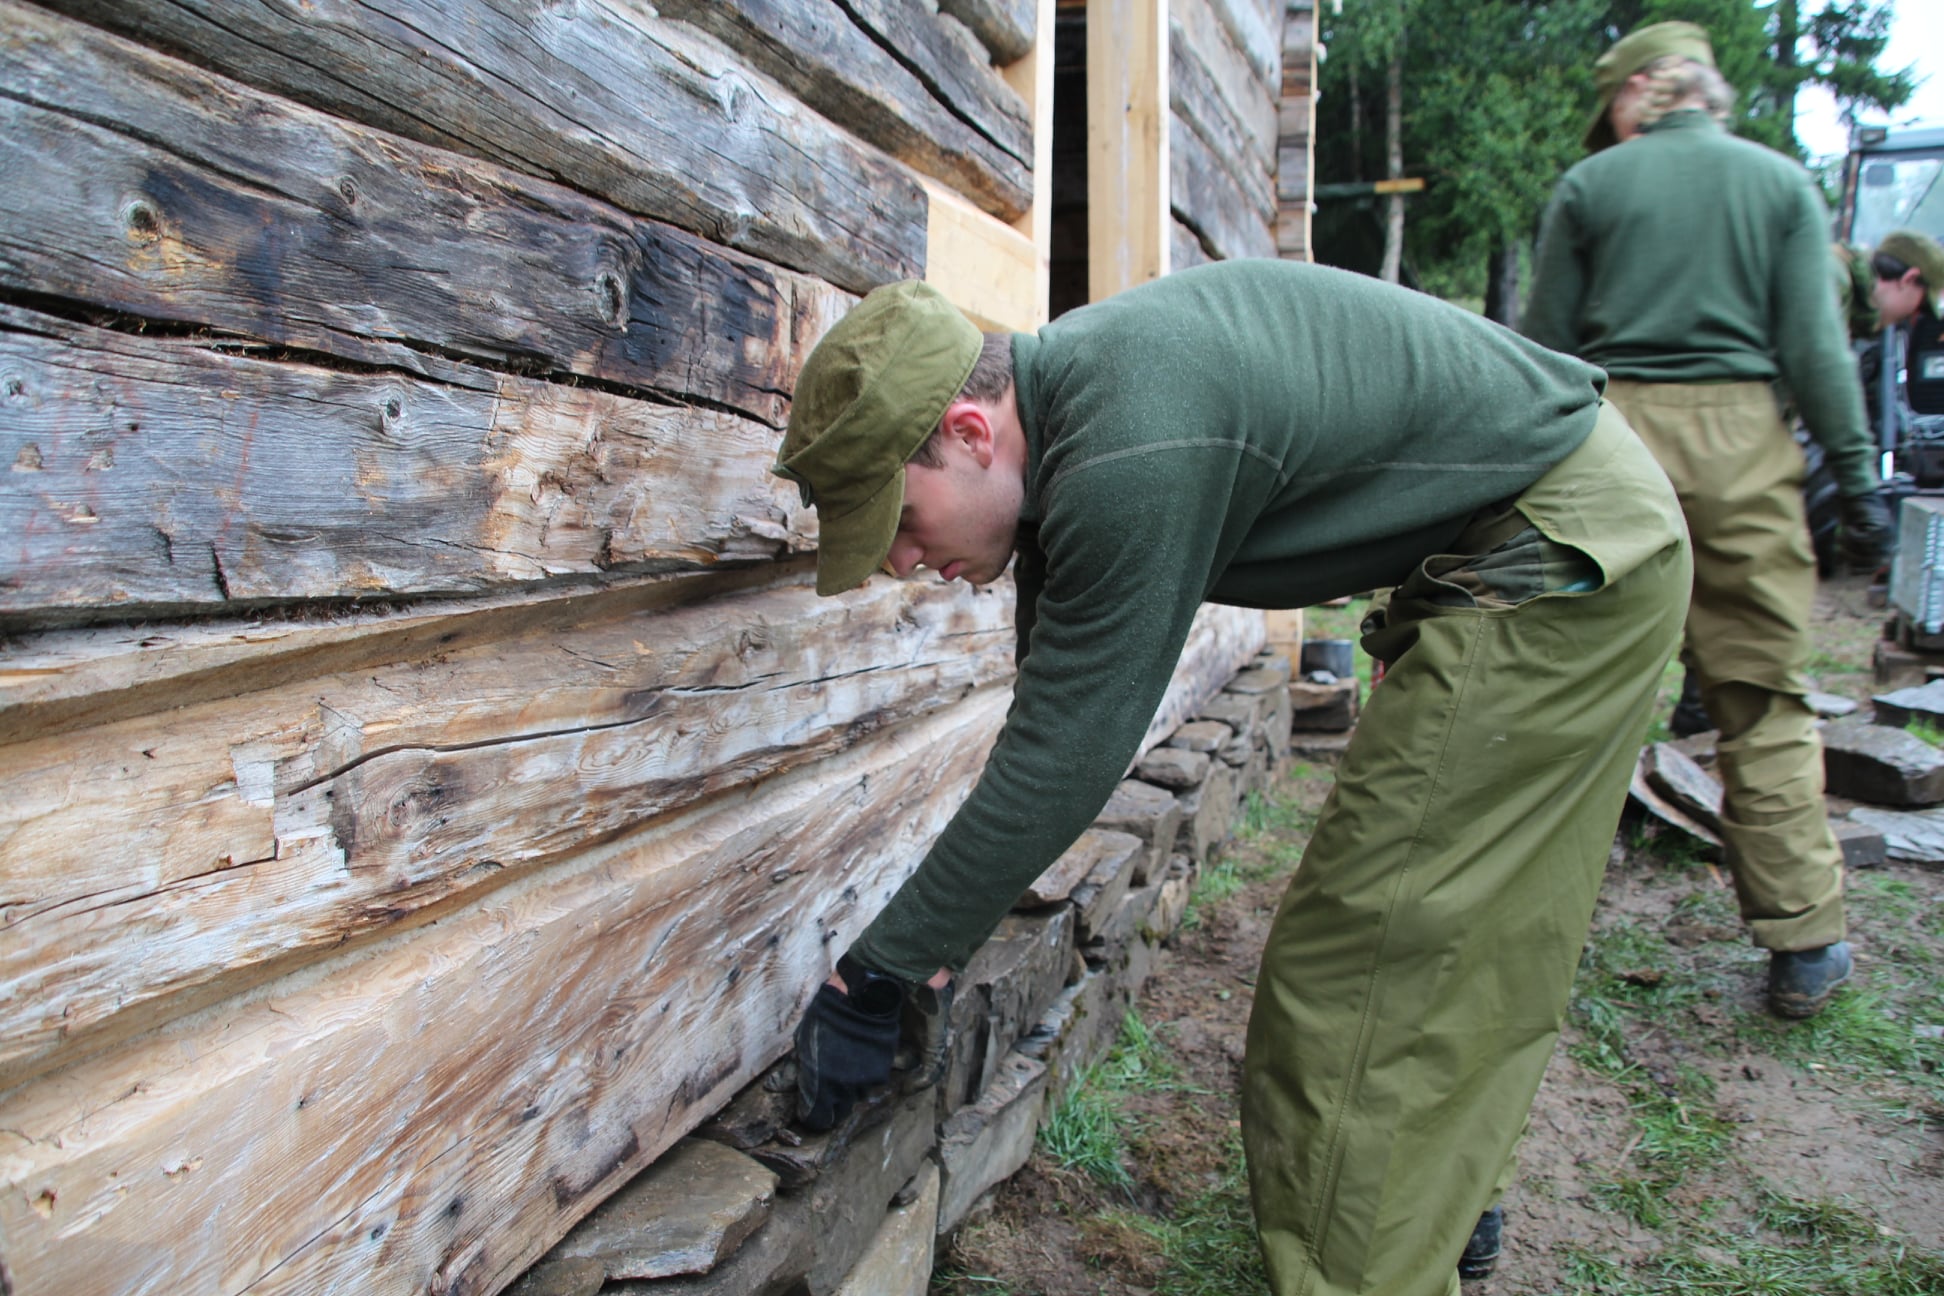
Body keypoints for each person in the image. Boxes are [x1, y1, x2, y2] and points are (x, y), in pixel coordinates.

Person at [773, 259, 1689, 1295]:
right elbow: (1051, 709)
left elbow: (1068, 751)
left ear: (972, 433)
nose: (898, 562)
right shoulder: (1082, 407)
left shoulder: (1134, 446)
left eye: (898, 520)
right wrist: (936, 948)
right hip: (1527, 537)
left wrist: (878, 972)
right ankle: (1438, 1199)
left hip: (1558, 561)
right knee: (1455, 936)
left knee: (1366, 966)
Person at [1524, 21, 1891, 1023]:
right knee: (1762, 696)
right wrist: (1856, 478)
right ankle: (1806, 941)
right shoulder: (1780, 185)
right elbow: (1816, 347)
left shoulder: (1591, 189)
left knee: (1568, 699)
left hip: (1609, 448)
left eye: (1611, 99)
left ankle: (1519, 936)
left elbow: (1545, 356)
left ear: (1642, 88)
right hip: (1744, 450)